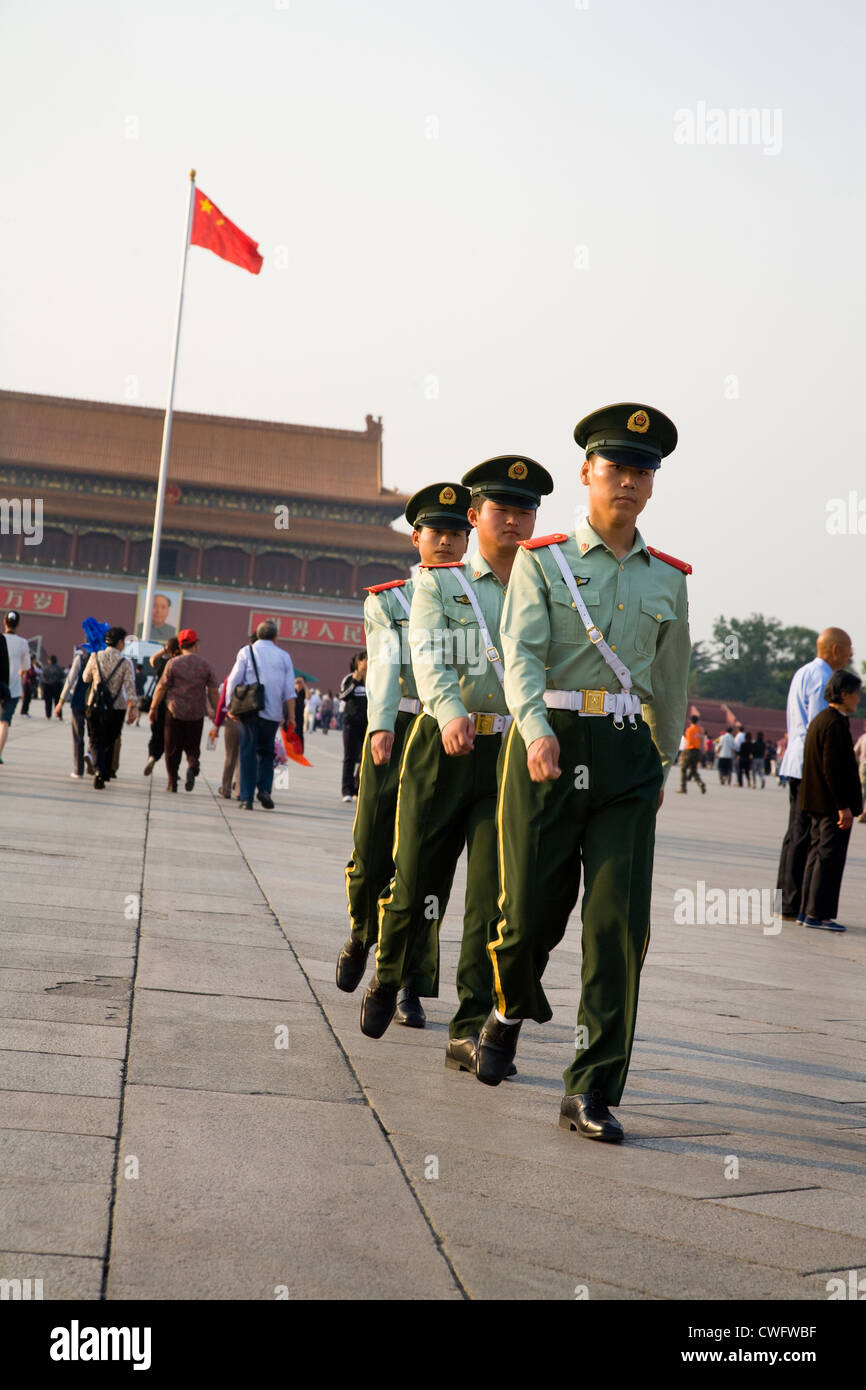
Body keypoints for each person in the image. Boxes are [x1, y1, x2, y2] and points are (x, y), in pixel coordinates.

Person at [478, 402, 691, 1146]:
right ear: (587, 473)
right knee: (529, 914)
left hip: (628, 757)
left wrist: (662, 759)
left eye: (642, 471)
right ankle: (507, 1008)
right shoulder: (544, 560)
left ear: (652, 485)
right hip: (551, 745)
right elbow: (521, 657)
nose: (628, 482)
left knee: (617, 928)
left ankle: (591, 1087)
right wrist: (534, 731)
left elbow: (670, 679)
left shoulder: (670, 579)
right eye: (616, 468)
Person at [360, 456, 551, 1073]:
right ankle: (388, 975)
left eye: (526, 511)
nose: (517, 522)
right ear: (477, 517)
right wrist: (445, 711)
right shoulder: (437, 585)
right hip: (442, 747)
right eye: (503, 510)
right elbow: (426, 654)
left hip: (506, 752)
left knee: (491, 896)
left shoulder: (547, 583)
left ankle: (467, 1027)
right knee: (414, 877)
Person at [337, 483, 472, 1028]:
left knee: (427, 869)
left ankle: (412, 979)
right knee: (372, 849)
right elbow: (386, 662)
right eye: (436, 532)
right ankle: (362, 934)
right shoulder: (388, 599)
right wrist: (380, 726)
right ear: (416, 537)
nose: (446, 541)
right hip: (395, 727)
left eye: (457, 532)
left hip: (448, 731)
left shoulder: (482, 597)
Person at [775, 628, 853, 921]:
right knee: (804, 835)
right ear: (834, 650)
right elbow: (822, 729)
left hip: (797, 761)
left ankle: (786, 901)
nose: (851, 655)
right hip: (810, 764)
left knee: (795, 833)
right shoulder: (823, 678)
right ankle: (792, 903)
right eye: (848, 648)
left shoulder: (804, 671)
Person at [798, 670, 863, 931]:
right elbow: (833, 768)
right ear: (844, 694)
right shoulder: (835, 724)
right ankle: (819, 914)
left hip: (816, 803)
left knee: (816, 856)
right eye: (857, 694)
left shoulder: (820, 720)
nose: (859, 699)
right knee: (828, 859)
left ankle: (807, 911)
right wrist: (842, 806)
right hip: (831, 806)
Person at [225, 620, 296, 809]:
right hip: (272, 715)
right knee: (266, 753)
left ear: (257, 634)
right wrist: (292, 717)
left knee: (248, 753)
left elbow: (233, 680)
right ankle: (264, 790)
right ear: (275, 637)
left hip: (248, 712)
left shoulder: (246, 652)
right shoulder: (284, 656)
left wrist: (229, 705)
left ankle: (247, 798)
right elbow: (290, 690)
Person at [149, 629, 219, 793]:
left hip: (174, 712)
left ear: (180, 646)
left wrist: (153, 708)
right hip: (196, 714)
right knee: (193, 746)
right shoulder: (205, 665)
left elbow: (161, 687)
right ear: (196, 644)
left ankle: (172, 783)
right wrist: (218, 712)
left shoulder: (172, 663)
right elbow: (214, 691)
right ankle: (193, 765)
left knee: (172, 749)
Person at [82, 627, 138, 789]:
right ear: (120, 642)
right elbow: (130, 688)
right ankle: (104, 771)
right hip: (116, 708)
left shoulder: (95, 656)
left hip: (95, 704)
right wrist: (133, 709)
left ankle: (98, 768)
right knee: (109, 740)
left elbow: (86, 678)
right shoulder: (126, 662)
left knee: (95, 739)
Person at [55, 644, 92, 776]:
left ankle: (78, 770)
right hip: (94, 702)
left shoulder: (80, 658)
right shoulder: (100, 657)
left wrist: (61, 701)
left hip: (78, 701)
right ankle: (90, 754)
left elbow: (70, 680)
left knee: (78, 736)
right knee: (93, 734)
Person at [0, 610, 32, 762]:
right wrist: (18, 673)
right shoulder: (23, 643)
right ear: (18, 624)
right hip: (13, 688)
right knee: (4, 722)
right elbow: (26, 666)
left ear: (4, 622)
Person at [339, 657, 368, 801]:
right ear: (359, 662)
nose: (369, 662)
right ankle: (347, 791)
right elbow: (343, 696)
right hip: (350, 723)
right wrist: (355, 681)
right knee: (349, 758)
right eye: (366, 659)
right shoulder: (349, 678)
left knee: (365, 759)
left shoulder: (374, 677)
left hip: (368, 724)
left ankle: (358, 789)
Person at [677, 715, 706, 794]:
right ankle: (701, 783)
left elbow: (688, 742)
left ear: (690, 721)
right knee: (693, 770)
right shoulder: (700, 730)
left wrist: (683, 753)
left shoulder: (689, 730)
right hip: (697, 751)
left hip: (690, 751)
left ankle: (683, 788)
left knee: (683, 769)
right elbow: (702, 742)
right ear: (697, 721)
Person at [40, 653, 65, 719]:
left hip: (47, 686)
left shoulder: (45, 668)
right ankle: (59, 715)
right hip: (57, 686)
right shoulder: (59, 668)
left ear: (49, 660)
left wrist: (42, 687)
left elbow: (42, 678)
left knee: (48, 702)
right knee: (57, 701)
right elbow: (63, 676)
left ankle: (48, 715)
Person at [854, 728, 866, 824]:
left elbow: (855, 751)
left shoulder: (863, 738)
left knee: (862, 789)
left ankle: (861, 812)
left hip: (863, 766)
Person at [293, 678, 307, 754]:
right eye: (297, 683)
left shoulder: (303, 692)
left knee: (299, 733)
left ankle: (300, 751)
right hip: (292, 715)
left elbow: (308, 696)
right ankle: (292, 749)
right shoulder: (293, 691)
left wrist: (304, 685)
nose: (298, 684)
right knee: (292, 732)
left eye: (300, 683)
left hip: (300, 715)